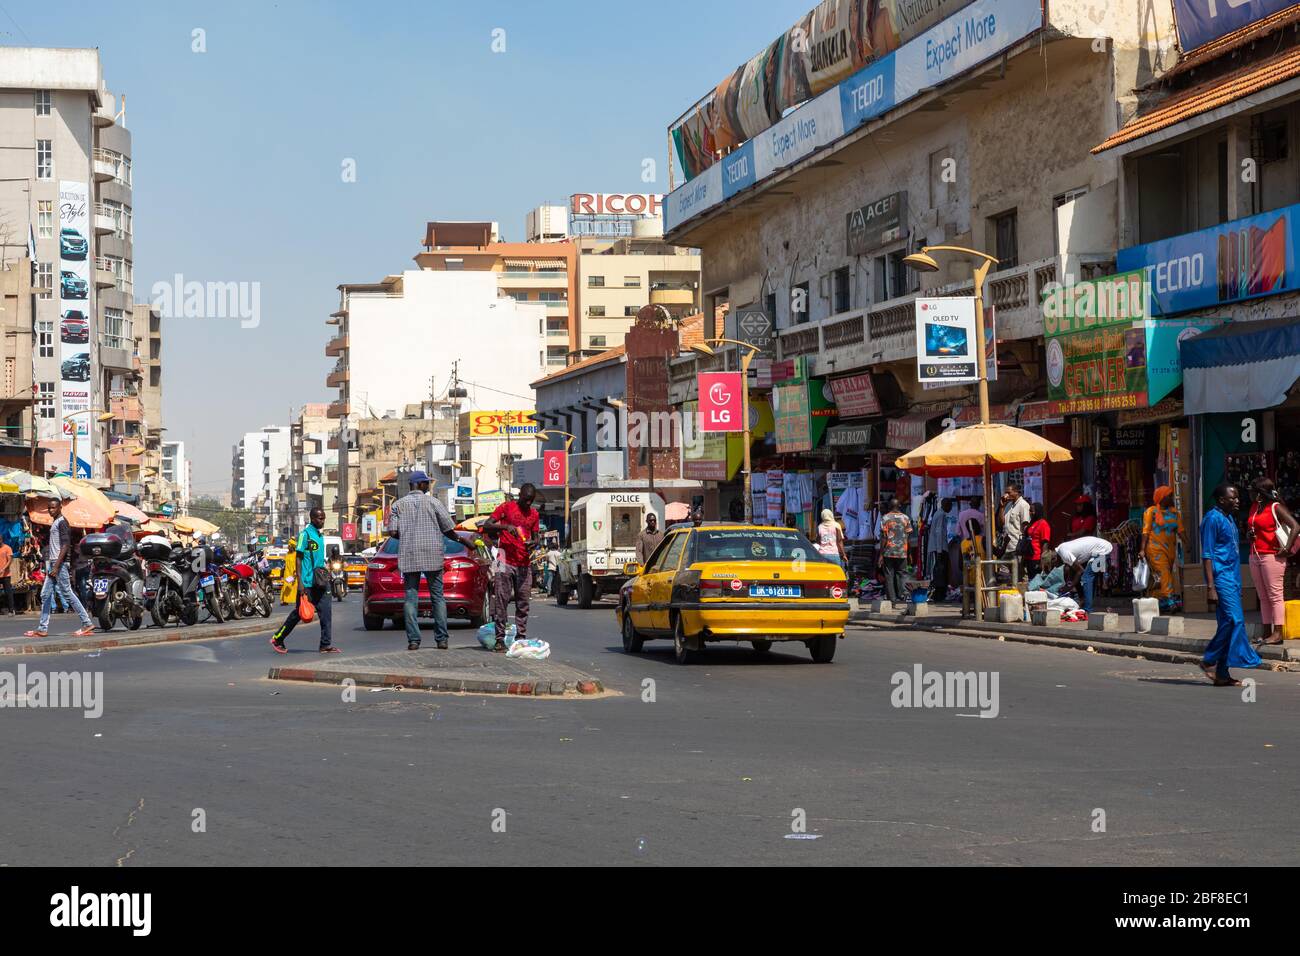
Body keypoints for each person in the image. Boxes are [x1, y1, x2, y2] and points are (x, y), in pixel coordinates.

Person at [387, 471, 459, 651]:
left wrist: (408, 536)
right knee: (438, 598)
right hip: (433, 555)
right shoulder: (434, 503)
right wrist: (463, 541)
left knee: (411, 599)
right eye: (426, 483)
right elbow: (449, 528)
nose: (428, 485)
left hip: (409, 555)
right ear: (419, 484)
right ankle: (441, 639)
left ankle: (413, 640)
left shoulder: (398, 505)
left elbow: (393, 532)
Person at [1200, 484, 1261, 685]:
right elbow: (1207, 554)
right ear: (1221, 500)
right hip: (1221, 578)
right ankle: (1209, 659)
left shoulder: (1229, 518)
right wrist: (1211, 587)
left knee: (1228, 622)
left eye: (1237, 497)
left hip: (1233, 577)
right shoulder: (1212, 519)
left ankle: (1222, 673)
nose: (1237, 501)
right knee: (1234, 621)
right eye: (1232, 498)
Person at [269, 507, 338, 654]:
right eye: (320, 518)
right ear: (312, 518)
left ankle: (325, 644)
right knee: (299, 613)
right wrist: (300, 582)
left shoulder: (320, 535)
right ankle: (277, 638)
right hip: (307, 582)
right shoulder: (304, 535)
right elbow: (298, 559)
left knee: (326, 612)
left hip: (321, 581)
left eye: (324, 518)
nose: (322, 521)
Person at [24, 498, 96, 638]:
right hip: (54, 564)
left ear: (59, 508)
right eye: (49, 508)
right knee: (45, 594)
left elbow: (65, 545)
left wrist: (56, 565)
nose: (51, 510)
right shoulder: (56, 522)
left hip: (59, 564)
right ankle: (42, 628)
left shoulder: (62, 522)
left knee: (67, 593)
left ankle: (87, 622)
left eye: (53, 508)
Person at [484, 483, 541, 652]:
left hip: (524, 561)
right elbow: (487, 525)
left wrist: (534, 543)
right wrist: (505, 527)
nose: (528, 503)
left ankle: (520, 637)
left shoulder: (535, 514)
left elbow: (537, 537)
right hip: (502, 557)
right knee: (501, 599)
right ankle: (499, 639)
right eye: (526, 500)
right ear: (519, 496)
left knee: (523, 602)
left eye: (531, 500)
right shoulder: (506, 507)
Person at [1247, 477, 1299, 645]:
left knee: (1275, 596)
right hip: (1255, 555)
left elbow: (1295, 526)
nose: (1249, 492)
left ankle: (1278, 633)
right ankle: (1266, 632)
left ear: (1260, 493)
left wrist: (1287, 548)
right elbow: (1252, 529)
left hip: (1272, 556)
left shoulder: (1275, 507)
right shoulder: (1254, 507)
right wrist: (1249, 535)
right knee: (1263, 597)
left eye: (1252, 489)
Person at [1141, 485, 1181, 613]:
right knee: (1164, 574)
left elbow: (1180, 530)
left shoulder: (1174, 513)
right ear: (1163, 498)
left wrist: (1187, 544)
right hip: (1155, 549)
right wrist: (1142, 550)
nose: (1172, 498)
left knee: (1162, 577)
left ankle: (1155, 602)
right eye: (1169, 496)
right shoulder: (1151, 512)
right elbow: (1145, 532)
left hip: (1170, 550)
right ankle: (1170, 601)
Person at [1055, 534, 1113, 613]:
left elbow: (1080, 570)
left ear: (1054, 559)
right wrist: (1068, 585)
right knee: (1091, 577)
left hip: (1102, 551)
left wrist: (1069, 587)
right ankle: (1085, 603)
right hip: (1102, 548)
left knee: (1087, 578)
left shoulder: (1064, 553)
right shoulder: (1062, 549)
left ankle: (1087, 609)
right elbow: (1073, 572)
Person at [877, 499, 913, 606]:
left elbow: (883, 537)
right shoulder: (906, 518)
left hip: (889, 552)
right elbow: (908, 538)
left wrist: (880, 554)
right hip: (902, 552)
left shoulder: (885, 518)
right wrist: (909, 553)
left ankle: (892, 600)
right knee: (902, 574)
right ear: (899, 506)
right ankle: (904, 596)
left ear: (890, 506)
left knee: (889, 575)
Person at [926, 497, 954, 601]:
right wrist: (939, 550)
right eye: (950, 506)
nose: (950, 508)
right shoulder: (941, 515)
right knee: (941, 572)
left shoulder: (938, 513)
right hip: (940, 548)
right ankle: (939, 595)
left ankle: (939, 594)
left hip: (939, 547)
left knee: (939, 572)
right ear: (946, 505)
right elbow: (939, 532)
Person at [999, 483, 1031, 559]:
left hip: (1016, 547)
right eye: (1005, 492)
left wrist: (1022, 545)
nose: (1006, 495)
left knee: (1016, 570)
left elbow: (1025, 526)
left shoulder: (1023, 505)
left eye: (1009, 492)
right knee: (1003, 570)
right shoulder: (1009, 505)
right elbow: (1002, 522)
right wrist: (1002, 507)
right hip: (1006, 546)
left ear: (1016, 492)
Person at [1024, 500, 1051, 581]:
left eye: (1032, 511)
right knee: (1030, 580)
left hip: (1037, 558)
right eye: (1029, 510)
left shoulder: (1043, 524)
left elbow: (1045, 543)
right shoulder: (1032, 523)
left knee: (1036, 581)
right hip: (1028, 557)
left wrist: (1042, 561)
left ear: (1037, 511)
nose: (1030, 513)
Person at [0, 538, 14, 615]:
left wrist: (3, 568)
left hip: (5, 575)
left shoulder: (7, 548)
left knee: (8, 592)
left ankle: (11, 610)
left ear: (1, 540)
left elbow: (10, 560)